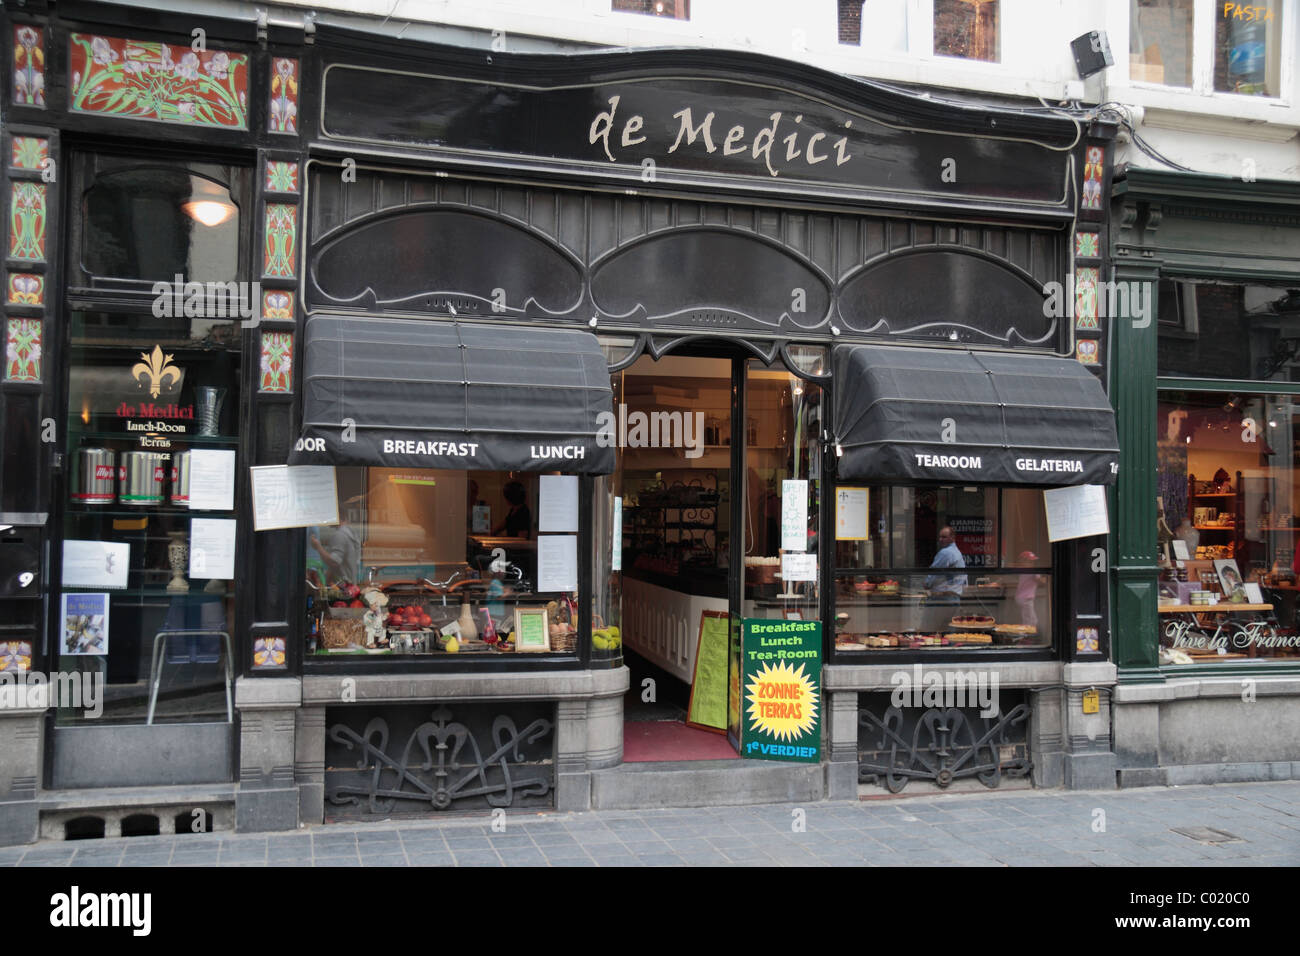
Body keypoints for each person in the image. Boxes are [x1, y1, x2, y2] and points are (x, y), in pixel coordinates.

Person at [923, 527, 967, 627]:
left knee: (931, 629)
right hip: (954, 597)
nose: (940, 539)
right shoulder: (957, 552)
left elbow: (934, 572)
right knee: (948, 629)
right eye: (940, 537)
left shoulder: (946, 552)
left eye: (944, 537)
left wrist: (926, 584)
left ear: (952, 538)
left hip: (942, 597)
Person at [1015, 550, 1047, 630]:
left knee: (1029, 618)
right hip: (1026, 598)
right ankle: (1027, 634)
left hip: (1021, 598)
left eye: (1033, 562)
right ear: (1023, 562)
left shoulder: (1022, 571)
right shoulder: (1033, 571)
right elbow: (1040, 580)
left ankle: (1028, 633)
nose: (1032, 564)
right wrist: (1046, 579)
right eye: (1030, 562)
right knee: (1031, 620)